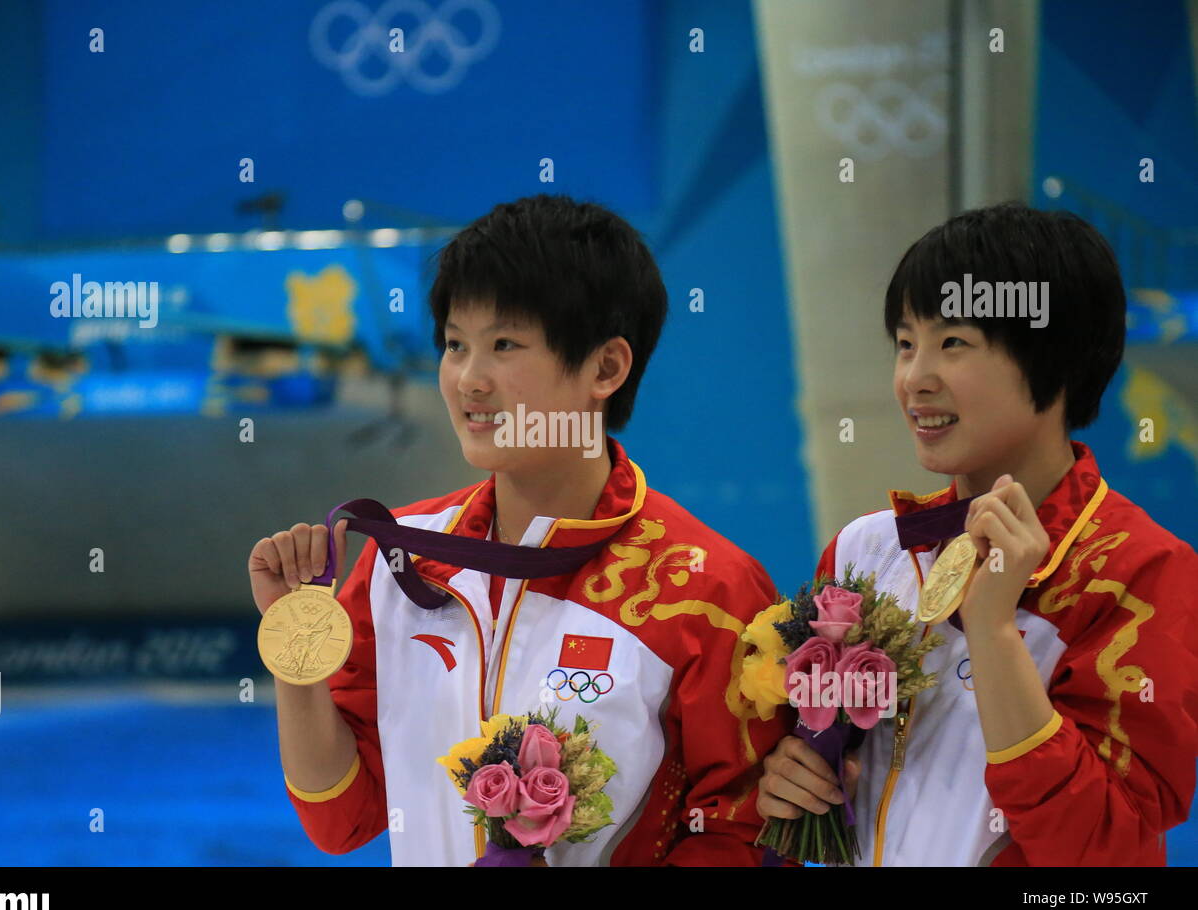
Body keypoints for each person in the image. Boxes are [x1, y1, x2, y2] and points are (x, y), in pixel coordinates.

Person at [251, 194, 786, 865]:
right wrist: (296, 653)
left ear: (606, 368)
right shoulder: (401, 561)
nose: (469, 380)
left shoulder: (707, 591)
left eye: (504, 345)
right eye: (454, 344)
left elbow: (745, 839)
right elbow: (342, 821)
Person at [756, 202, 1198, 866]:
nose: (915, 378)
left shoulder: (1142, 574)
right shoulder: (865, 550)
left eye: (952, 343)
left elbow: (1107, 858)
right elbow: (822, 790)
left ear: (1057, 357)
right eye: (906, 344)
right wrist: (793, 780)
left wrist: (992, 632)